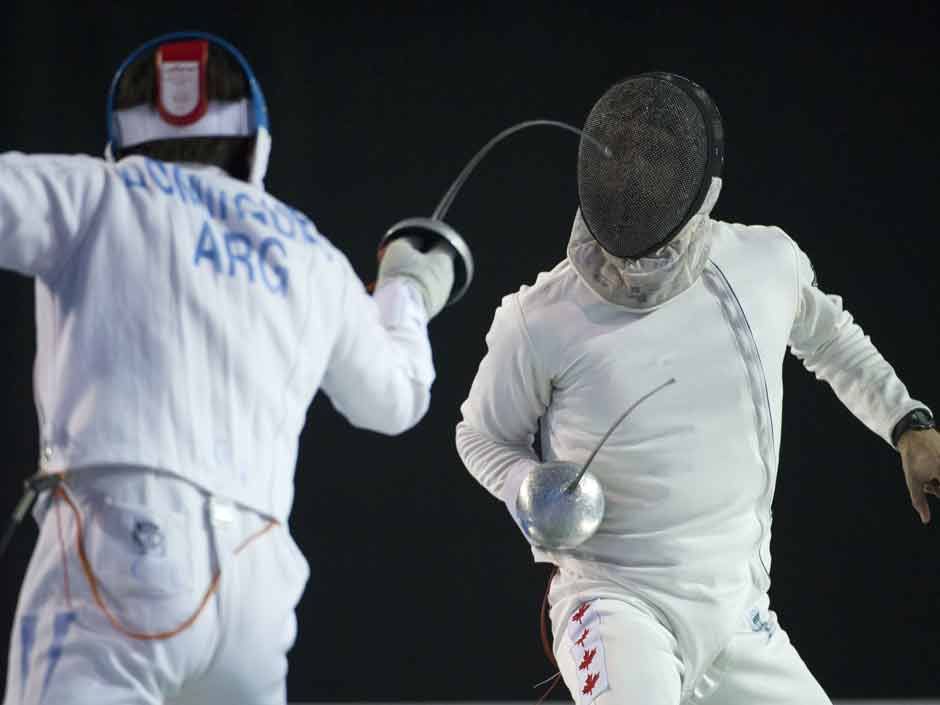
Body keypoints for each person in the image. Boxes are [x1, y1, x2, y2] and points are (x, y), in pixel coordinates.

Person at [1, 31, 457, 704]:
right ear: (254, 146)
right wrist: (408, 288)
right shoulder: (310, 253)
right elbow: (397, 396)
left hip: (121, 553)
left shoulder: (98, 192)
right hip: (256, 590)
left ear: (124, 138)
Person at [455, 72, 940, 705]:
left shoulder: (762, 265)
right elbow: (481, 436)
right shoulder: (541, 317)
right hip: (613, 600)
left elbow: (829, 339)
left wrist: (908, 425)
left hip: (739, 611)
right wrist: (528, 488)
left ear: (697, 191)